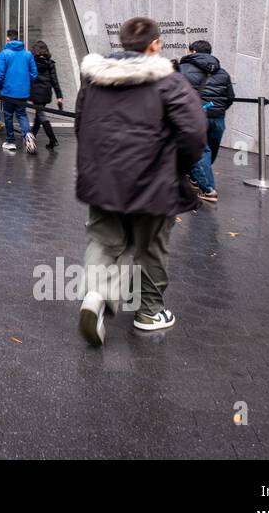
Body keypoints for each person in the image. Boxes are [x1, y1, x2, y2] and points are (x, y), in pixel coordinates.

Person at [74, 17, 206, 345]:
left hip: (103, 181)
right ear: (155, 44)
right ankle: (149, 312)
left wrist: (96, 165)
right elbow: (194, 132)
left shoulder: (94, 79)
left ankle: (97, 294)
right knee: (151, 248)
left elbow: (81, 124)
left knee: (104, 240)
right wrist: (179, 167)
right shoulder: (170, 82)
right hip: (154, 183)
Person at [177, 40, 234, 203]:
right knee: (210, 150)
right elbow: (230, 97)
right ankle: (197, 178)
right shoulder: (222, 72)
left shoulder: (183, 70)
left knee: (201, 152)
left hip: (194, 116)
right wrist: (218, 109)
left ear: (193, 51)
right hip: (217, 117)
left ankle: (208, 190)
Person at [0, 31, 37, 153]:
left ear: (8, 39)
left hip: (8, 91)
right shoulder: (28, 54)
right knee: (22, 114)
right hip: (23, 92)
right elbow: (34, 73)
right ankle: (27, 134)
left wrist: (0, 86)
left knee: (8, 116)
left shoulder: (4, 54)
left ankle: (10, 141)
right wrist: (27, 83)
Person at [28, 40, 64, 152]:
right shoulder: (50, 63)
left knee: (41, 115)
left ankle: (53, 139)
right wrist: (59, 96)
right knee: (39, 115)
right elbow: (55, 81)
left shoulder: (32, 62)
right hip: (46, 92)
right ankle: (32, 136)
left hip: (35, 92)